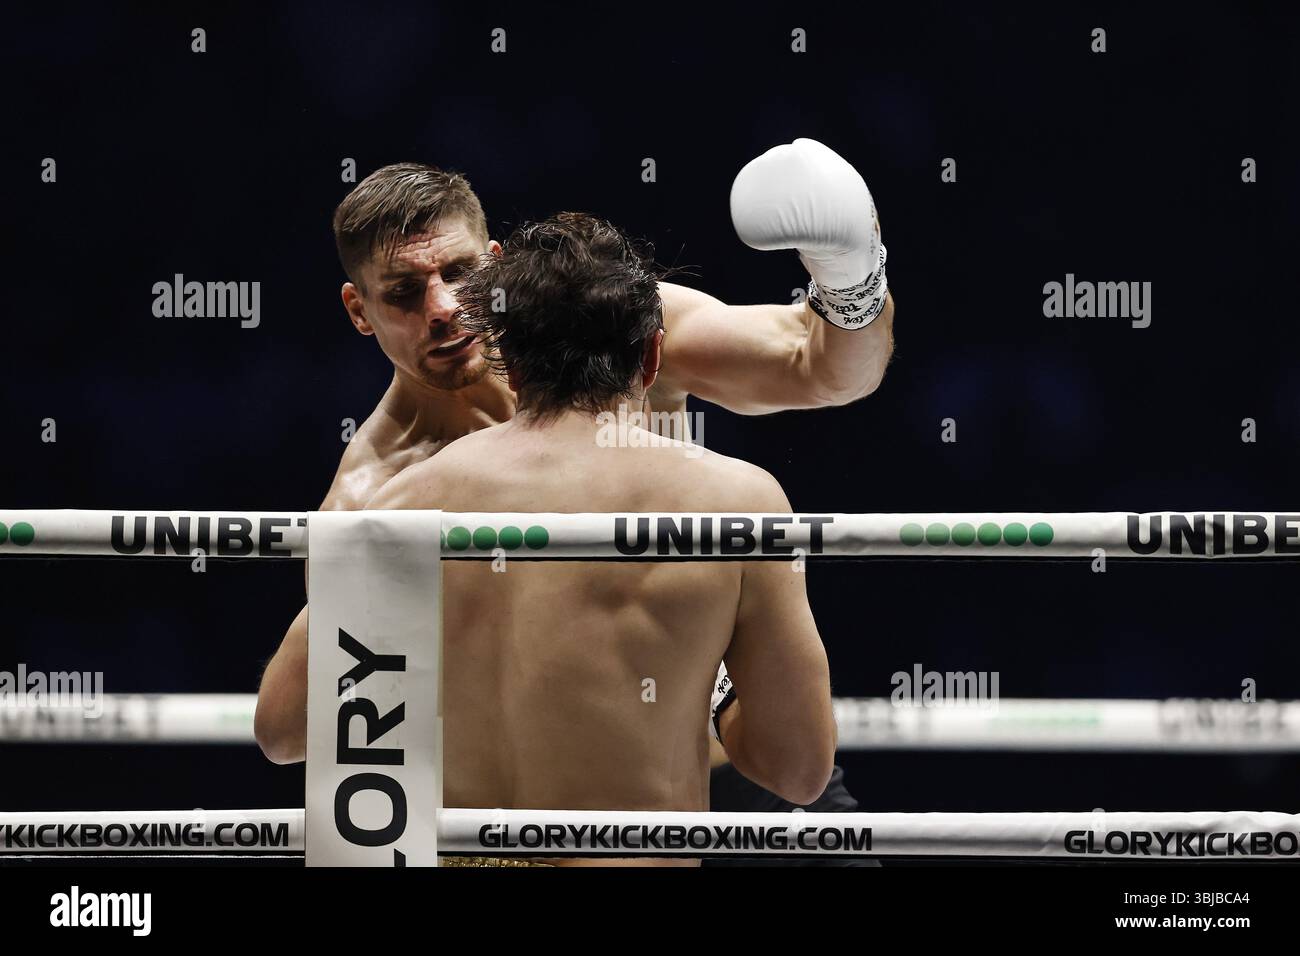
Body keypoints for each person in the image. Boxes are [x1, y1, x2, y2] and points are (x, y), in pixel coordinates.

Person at [256, 140, 892, 844]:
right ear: (358, 309)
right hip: (570, 834)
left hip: (745, 774)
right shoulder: (374, 497)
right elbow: (332, 735)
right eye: (404, 292)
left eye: (459, 273)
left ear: (494, 262)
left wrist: (850, 273)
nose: (440, 308)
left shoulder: (609, 330)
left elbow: (825, 370)